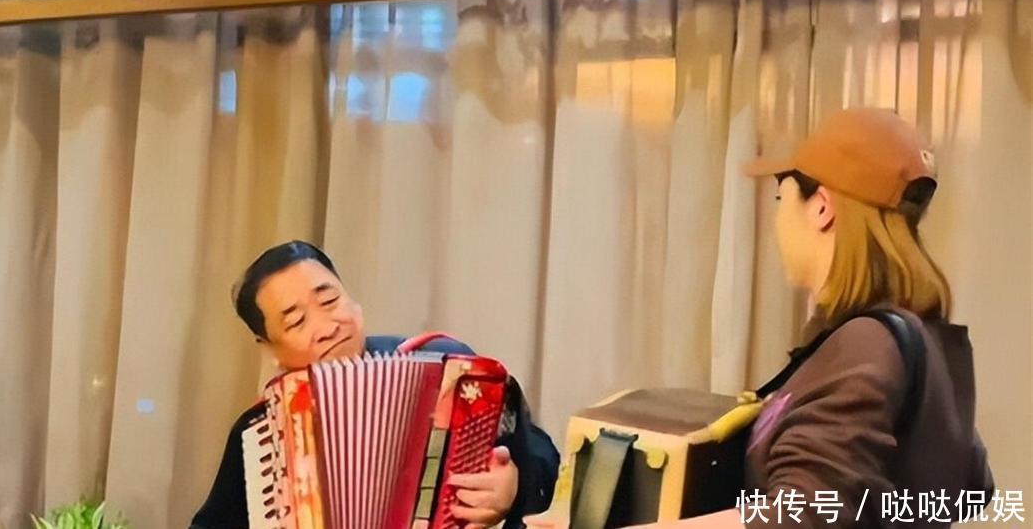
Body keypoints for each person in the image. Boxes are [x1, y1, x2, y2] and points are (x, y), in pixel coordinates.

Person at [589, 109, 992, 528]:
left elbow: (802, 514)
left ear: (821, 208)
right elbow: (971, 489)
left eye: (782, 199)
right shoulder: (923, 340)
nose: (777, 221)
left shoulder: (866, 346)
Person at [190, 240, 560, 529]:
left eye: (329, 300)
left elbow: (544, 457)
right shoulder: (261, 432)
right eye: (297, 321)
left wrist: (514, 487)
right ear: (271, 349)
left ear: (353, 301)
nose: (326, 327)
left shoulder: (450, 368)